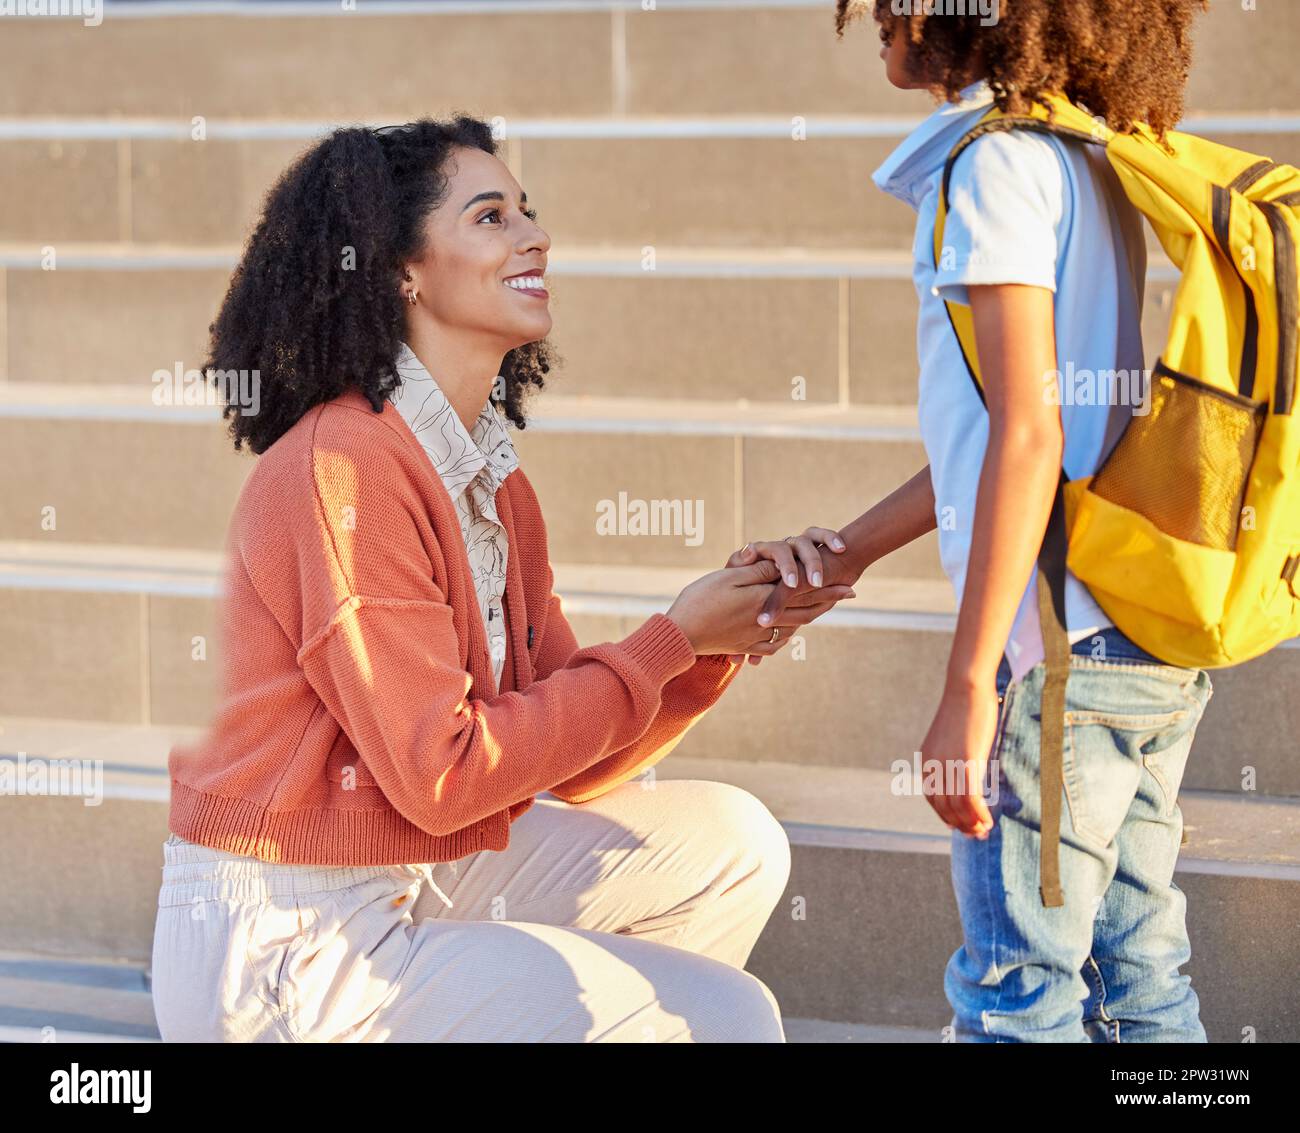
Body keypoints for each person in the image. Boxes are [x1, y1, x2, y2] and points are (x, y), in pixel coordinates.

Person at [149, 117, 858, 1043]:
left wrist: (711, 645)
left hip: (408, 867)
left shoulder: (489, 479)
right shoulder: (344, 469)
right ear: (404, 269)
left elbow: (572, 758)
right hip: (288, 936)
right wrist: (667, 639)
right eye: (491, 217)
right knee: (726, 1017)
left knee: (733, 844)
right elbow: (442, 774)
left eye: (528, 211)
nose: (534, 235)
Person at [750, 0, 1214, 1041]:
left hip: (1055, 653)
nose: (873, 13)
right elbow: (1026, 421)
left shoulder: (989, 166)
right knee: (1139, 979)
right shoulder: (1078, 154)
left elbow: (1029, 433)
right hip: (1132, 640)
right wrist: (849, 549)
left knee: (1018, 1003)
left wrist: (969, 684)